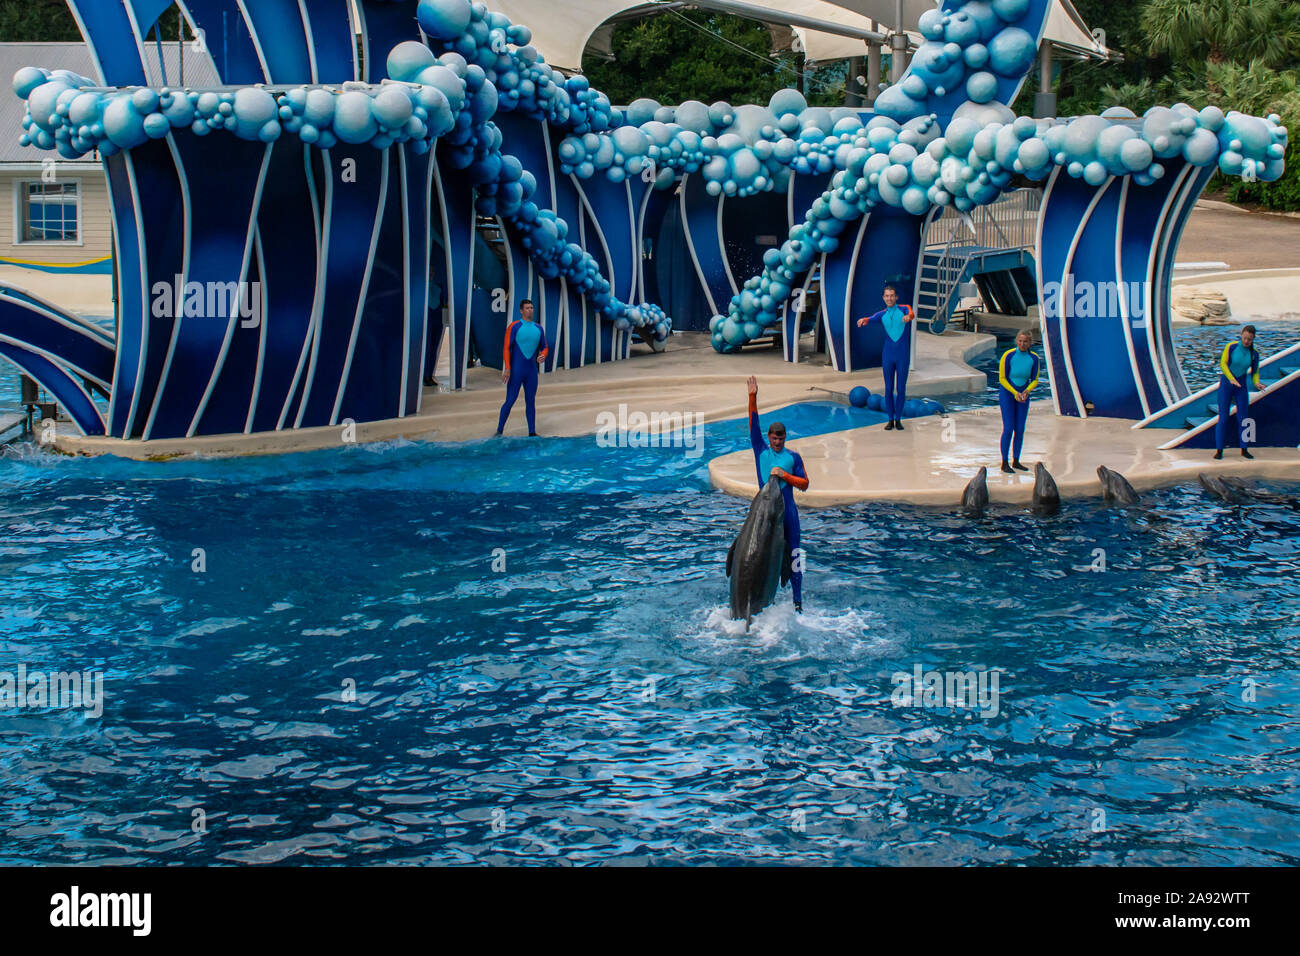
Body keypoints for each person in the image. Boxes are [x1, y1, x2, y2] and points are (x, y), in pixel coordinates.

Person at [747, 375, 810, 613]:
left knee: (795, 554)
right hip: (764, 514)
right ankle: (757, 596)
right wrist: (752, 397)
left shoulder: (792, 458)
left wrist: (785, 476)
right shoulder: (761, 451)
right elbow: (753, 424)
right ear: (769, 437)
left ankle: (797, 601)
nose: (776, 441)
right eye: (773, 438)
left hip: (788, 513)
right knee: (756, 554)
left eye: (780, 438)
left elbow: (804, 484)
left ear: (785, 438)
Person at [857, 284, 915, 431]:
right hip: (888, 355)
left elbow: (912, 314)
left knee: (900, 388)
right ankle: (890, 419)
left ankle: (898, 419)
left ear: (896, 297)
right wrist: (864, 319)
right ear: (883, 298)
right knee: (888, 388)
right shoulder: (882, 314)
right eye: (886, 296)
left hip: (902, 355)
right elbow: (871, 318)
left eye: (892, 296)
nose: (889, 298)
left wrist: (909, 317)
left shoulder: (904, 308)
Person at [496, 299, 548, 437]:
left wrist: (543, 355)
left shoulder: (538, 328)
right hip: (516, 370)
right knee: (511, 399)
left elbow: (545, 346)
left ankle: (532, 432)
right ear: (521, 310)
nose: (530, 310)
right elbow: (506, 348)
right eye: (527, 308)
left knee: (530, 401)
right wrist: (507, 368)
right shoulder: (514, 326)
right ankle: (499, 431)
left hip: (531, 371)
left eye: (531, 307)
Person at [1215, 324, 1267, 460]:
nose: (1246, 341)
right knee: (1223, 418)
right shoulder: (1231, 346)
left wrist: (1256, 383)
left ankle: (1244, 449)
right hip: (1227, 384)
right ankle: (1219, 451)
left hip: (1241, 386)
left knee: (1244, 419)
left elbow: (1255, 372)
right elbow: (1223, 364)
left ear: (1253, 339)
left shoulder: (1254, 353)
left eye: (1249, 339)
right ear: (1241, 335)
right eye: (1244, 338)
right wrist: (1231, 379)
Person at [997, 329, 1040, 474]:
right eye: (1020, 341)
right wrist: (1015, 392)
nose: (1022, 344)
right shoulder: (1008, 355)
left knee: (1020, 429)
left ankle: (1016, 460)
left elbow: (1035, 379)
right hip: (1008, 394)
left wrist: (1026, 391)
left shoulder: (1034, 358)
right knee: (1008, 428)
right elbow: (1002, 378)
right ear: (1017, 341)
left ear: (1030, 343)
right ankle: (1004, 462)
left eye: (1025, 341)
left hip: (1023, 395)